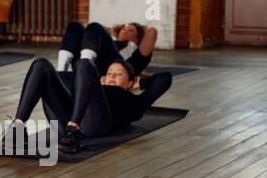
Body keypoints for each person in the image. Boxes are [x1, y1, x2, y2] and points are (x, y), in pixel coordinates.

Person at [14, 32, 174, 155]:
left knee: (84, 63)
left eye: (119, 74)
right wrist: (91, 80)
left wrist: (141, 83)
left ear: (130, 82)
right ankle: (18, 127)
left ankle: (73, 130)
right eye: (110, 73)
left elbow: (165, 78)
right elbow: (59, 78)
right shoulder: (94, 86)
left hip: (95, 125)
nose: (112, 76)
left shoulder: (134, 102)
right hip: (65, 120)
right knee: (41, 64)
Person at [56, 20, 159, 77]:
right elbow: (86, 26)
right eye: (123, 28)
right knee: (76, 25)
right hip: (88, 61)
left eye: (130, 30)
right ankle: (61, 72)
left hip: (111, 69)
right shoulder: (108, 40)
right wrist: (113, 32)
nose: (125, 30)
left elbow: (152, 31)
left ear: (138, 38)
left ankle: (85, 67)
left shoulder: (138, 52)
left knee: (95, 26)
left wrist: (108, 30)